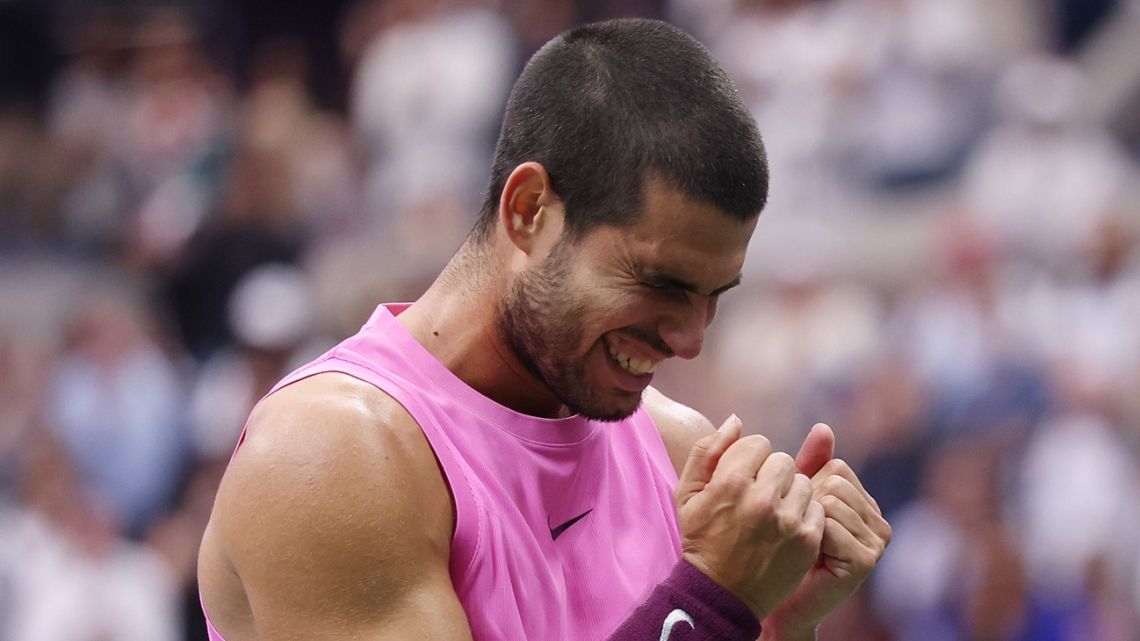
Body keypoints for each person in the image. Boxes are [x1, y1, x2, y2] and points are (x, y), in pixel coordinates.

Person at [197, 18, 890, 641]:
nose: (690, 340)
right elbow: (699, 611)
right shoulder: (330, 457)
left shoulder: (678, 445)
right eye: (660, 283)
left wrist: (782, 624)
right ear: (529, 209)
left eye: (713, 297)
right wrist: (711, 599)